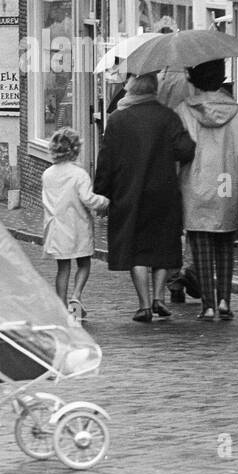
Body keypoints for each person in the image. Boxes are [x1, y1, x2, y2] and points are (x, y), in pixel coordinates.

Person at [94, 72, 195, 323]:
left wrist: (101, 192)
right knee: (162, 245)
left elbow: (106, 160)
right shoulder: (168, 117)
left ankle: (143, 305)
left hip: (129, 191)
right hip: (163, 191)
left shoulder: (117, 120)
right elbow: (186, 149)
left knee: (136, 248)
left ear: (131, 90)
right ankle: (159, 298)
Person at [174, 59, 238, 321]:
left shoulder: (183, 110)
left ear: (194, 77)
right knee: (225, 244)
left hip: (196, 184)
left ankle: (207, 305)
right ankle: (224, 302)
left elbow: (180, 149)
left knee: (201, 244)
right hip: (228, 183)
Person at [42, 128, 108, 320]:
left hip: (56, 226)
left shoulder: (48, 174)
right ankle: (76, 296)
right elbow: (88, 199)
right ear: (75, 149)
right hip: (77, 225)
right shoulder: (79, 174)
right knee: (84, 263)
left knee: (63, 268)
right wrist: (104, 202)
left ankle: (61, 306)